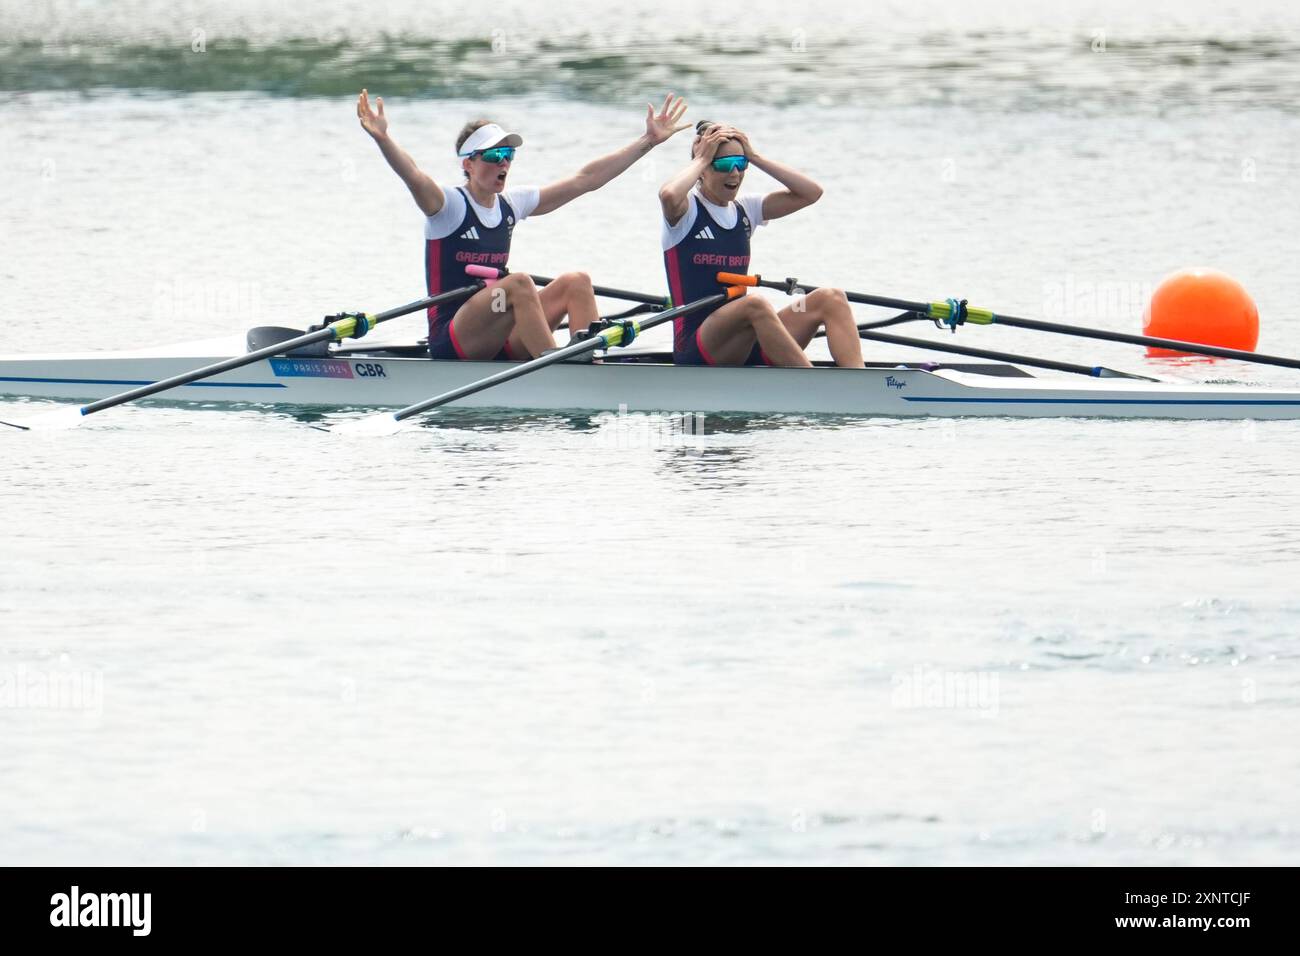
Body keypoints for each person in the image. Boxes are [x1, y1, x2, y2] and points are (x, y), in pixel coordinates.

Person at [357, 90, 690, 360]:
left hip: (497, 328)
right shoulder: (448, 207)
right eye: (493, 156)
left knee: (577, 282)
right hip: (454, 337)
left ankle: (588, 367)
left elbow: (585, 180)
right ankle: (558, 367)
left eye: (508, 155)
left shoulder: (511, 204)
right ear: (468, 164)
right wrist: (383, 138)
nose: (503, 162)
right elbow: (414, 176)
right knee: (518, 284)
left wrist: (648, 141)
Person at [659, 122, 865, 368]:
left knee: (831, 298)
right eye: (724, 164)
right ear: (702, 170)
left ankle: (860, 381)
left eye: (741, 162)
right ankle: (811, 382)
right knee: (755, 304)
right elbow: (668, 194)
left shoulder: (747, 209)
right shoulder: (686, 211)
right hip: (697, 346)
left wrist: (755, 156)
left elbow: (811, 193)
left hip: (745, 340)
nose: (735, 172)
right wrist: (701, 159)